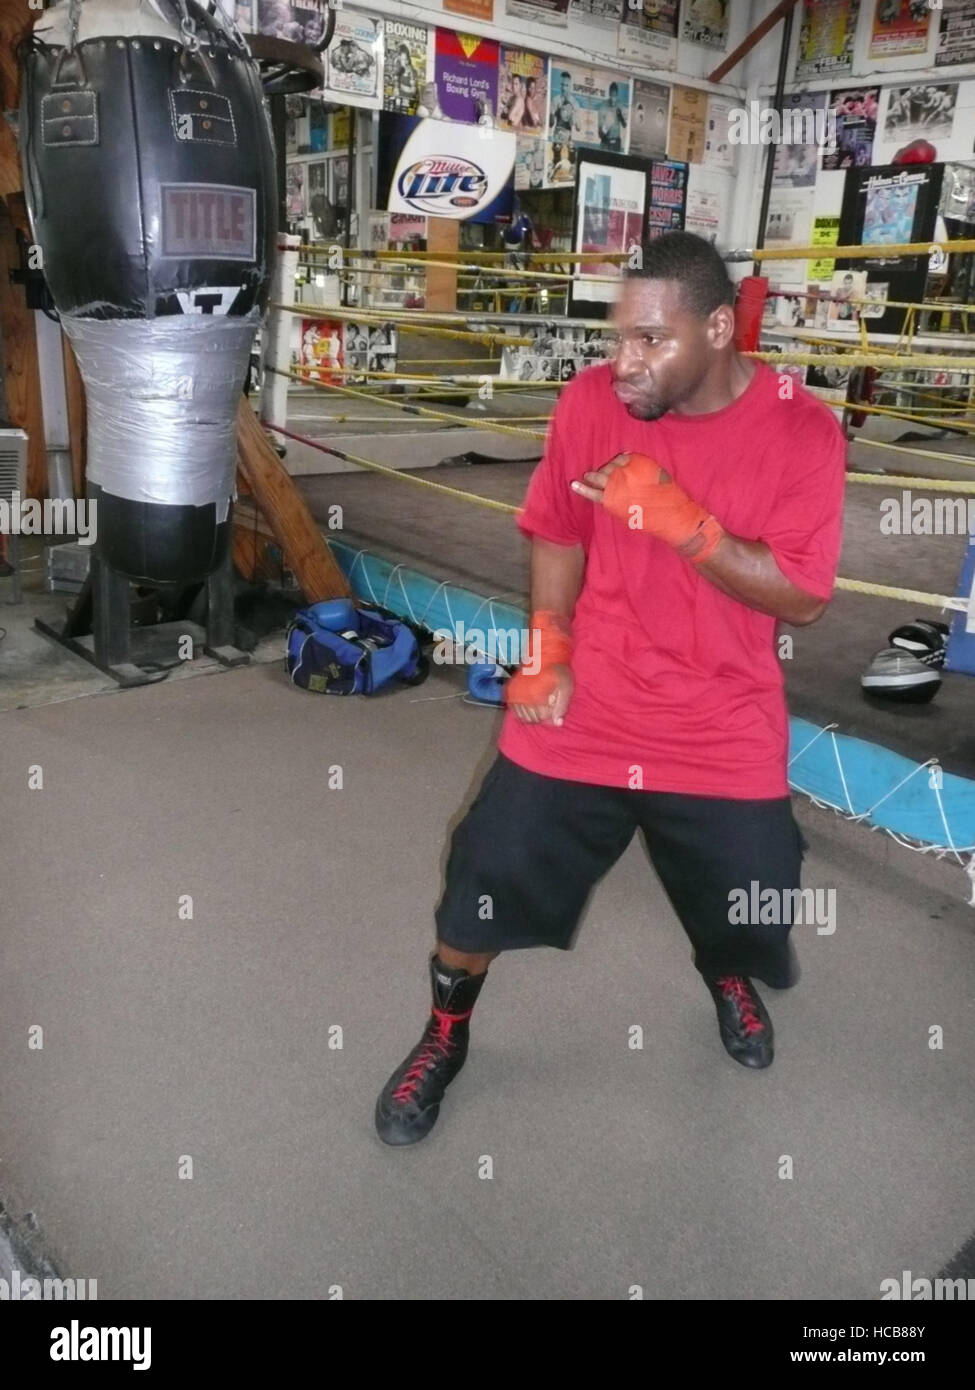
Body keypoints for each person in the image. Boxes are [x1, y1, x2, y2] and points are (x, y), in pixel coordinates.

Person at [374, 232, 847, 1146]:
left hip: (718, 718)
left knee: (753, 896)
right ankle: (444, 1031)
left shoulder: (801, 430)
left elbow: (804, 598)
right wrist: (548, 648)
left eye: (650, 340)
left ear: (718, 330)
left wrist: (685, 525)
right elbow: (558, 529)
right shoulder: (592, 401)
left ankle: (725, 969)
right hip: (591, 703)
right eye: (619, 336)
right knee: (483, 872)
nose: (624, 362)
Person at [598, 82, 627, 152]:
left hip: (616, 142)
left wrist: (620, 116)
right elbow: (600, 133)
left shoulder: (620, 105)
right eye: (611, 95)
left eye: (615, 95)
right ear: (609, 93)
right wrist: (605, 130)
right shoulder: (603, 106)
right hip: (605, 141)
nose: (613, 97)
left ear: (617, 94)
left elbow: (624, 125)